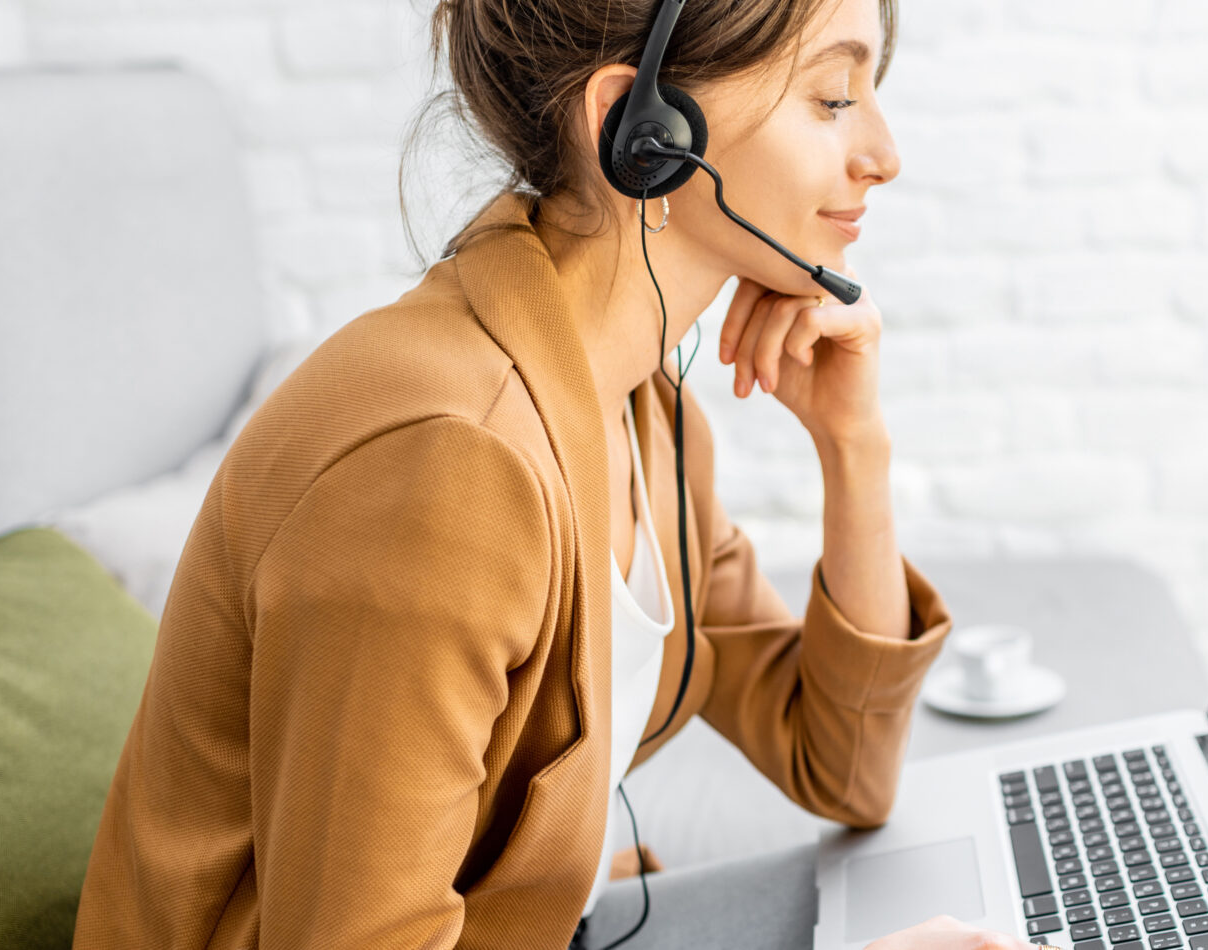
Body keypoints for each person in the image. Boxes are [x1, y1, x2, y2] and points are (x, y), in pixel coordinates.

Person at [69, 0, 1044, 947]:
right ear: (641, 127)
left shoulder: (644, 408)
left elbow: (843, 767)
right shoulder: (448, 466)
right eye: (832, 97)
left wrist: (852, 445)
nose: (884, 153)